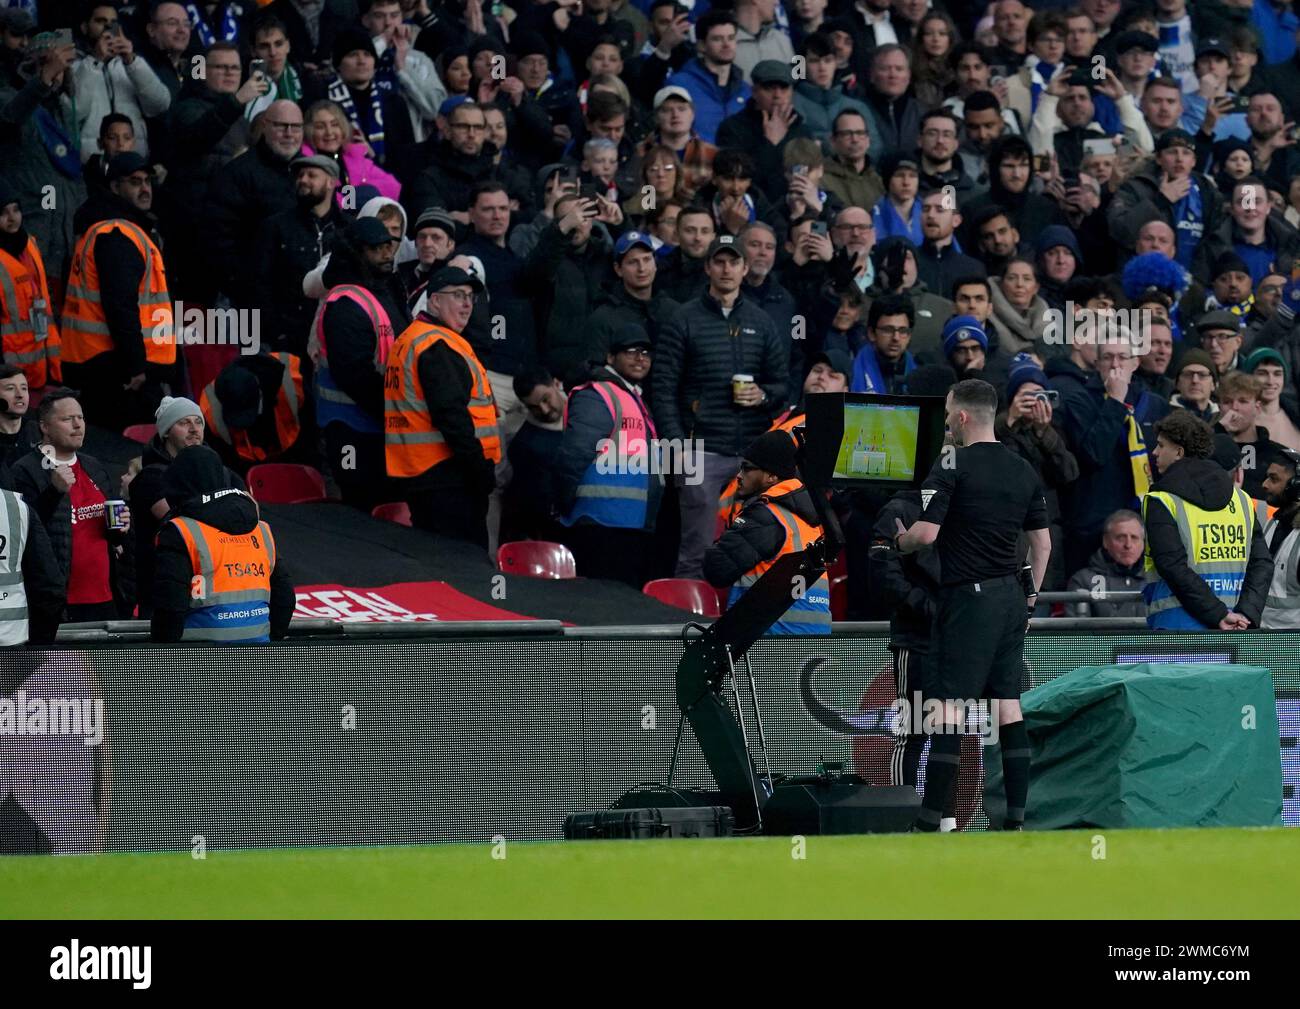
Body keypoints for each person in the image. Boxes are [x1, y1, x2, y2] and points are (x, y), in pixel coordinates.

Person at [894, 378, 1052, 832]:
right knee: (1007, 708)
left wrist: (899, 541)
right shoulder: (1022, 467)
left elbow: (926, 534)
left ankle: (928, 822)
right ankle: (1015, 822)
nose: (946, 423)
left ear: (962, 416)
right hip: (1010, 601)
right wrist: (1031, 598)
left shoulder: (950, 462)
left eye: (947, 415)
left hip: (968, 598)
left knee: (947, 708)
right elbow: (1042, 545)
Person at [653, 234, 786, 578]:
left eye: (734, 262)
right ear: (708, 267)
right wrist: (678, 445)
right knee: (696, 547)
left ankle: (738, 618)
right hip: (701, 450)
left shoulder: (762, 322)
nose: (727, 269)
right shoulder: (683, 319)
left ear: (745, 269)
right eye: (720, 262)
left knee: (751, 544)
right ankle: (686, 620)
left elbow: (781, 384)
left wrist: (763, 396)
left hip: (751, 452)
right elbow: (663, 387)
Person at [384, 265, 500, 547]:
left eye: (470, 297)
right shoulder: (437, 345)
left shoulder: (414, 338)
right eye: (458, 295)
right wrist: (478, 470)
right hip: (449, 477)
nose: (466, 305)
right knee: (464, 567)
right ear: (434, 300)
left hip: (425, 474)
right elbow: (451, 417)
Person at [61, 152, 177, 426]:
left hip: (103, 363)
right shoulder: (117, 234)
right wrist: (135, 365)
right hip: (118, 371)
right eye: (135, 182)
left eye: (148, 181)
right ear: (115, 187)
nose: (145, 188)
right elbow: (120, 306)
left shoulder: (112, 229)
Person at [151, 445, 295, 643]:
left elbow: (170, 605)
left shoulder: (181, 531)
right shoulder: (261, 530)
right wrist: (271, 639)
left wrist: (163, 655)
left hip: (198, 659)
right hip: (257, 651)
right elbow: (285, 599)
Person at [1142, 409, 1272, 629]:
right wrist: (1245, 615)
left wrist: (1218, 614)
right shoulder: (1241, 499)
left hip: (1176, 627)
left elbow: (1171, 565)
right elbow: (1262, 563)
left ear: (1179, 452)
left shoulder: (1161, 500)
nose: (1154, 452)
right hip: (1235, 628)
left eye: (1161, 445)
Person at [310, 217, 406, 511]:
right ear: (358, 252)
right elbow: (354, 375)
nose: (387, 254)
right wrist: (396, 411)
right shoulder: (345, 302)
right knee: (361, 513)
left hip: (379, 425)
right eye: (378, 249)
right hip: (352, 428)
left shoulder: (385, 288)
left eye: (390, 246)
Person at [554, 325, 661, 586]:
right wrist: (562, 504)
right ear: (611, 358)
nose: (640, 358)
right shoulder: (598, 395)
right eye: (631, 351)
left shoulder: (632, 397)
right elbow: (574, 455)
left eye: (646, 352)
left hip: (627, 525)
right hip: (598, 523)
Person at [9, 389, 127, 623]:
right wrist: (53, 492)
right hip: (59, 602)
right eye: (67, 419)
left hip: (105, 596)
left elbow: (112, 534)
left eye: (80, 418)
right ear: (44, 426)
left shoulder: (94, 466)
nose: (77, 425)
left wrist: (122, 529)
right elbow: (22, 533)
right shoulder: (25, 470)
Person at [703, 429, 831, 634]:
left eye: (747, 468)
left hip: (769, 643)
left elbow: (716, 568)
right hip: (813, 642)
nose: (739, 475)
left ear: (771, 476)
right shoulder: (811, 521)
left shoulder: (767, 516)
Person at [252, 153, 349, 357]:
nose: (303, 180)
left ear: (331, 182)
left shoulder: (348, 229)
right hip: (289, 337)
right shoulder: (276, 226)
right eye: (300, 175)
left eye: (311, 175)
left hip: (337, 334)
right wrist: (276, 332)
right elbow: (260, 283)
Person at [199, 352, 310, 476]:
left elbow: (310, 430)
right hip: (243, 464)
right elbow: (223, 463)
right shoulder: (210, 411)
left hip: (295, 451)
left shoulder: (293, 380)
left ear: (261, 395)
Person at [0, 184, 60, 391]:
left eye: (16, 210)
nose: (11, 217)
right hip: (10, 360)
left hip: (42, 353)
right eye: (4, 212)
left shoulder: (30, 244)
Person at [1065, 509, 1147, 618]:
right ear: (1106, 541)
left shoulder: (1158, 580)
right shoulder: (1083, 581)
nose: (1128, 545)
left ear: (1143, 543)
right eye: (1121, 538)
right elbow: (1077, 633)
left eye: (1134, 538)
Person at [1260, 448, 1300, 628]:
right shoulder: (1272, 522)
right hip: (1263, 635)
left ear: (1296, 484)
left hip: (1292, 643)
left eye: (1274, 479)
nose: (1265, 484)